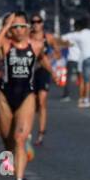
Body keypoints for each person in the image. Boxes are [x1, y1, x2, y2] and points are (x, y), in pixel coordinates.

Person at [0, 11, 52, 180]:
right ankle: (8, 156)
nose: (19, 30)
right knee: (7, 138)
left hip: (26, 95)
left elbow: (43, 60)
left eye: (23, 26)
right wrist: (4, 27)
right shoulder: (5, 46)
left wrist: (53, 73)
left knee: (20, 138)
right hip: (5, 95)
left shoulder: (37, 45)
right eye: (15, 27)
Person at [28, 14, 59, 145]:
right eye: (33, 22)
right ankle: (28, 130)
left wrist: (50, 60)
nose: (36, 24)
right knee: (32, 103)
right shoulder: (27, 37)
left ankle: (41, 133)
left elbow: (57, 52)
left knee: (41, 101)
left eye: (38, 21)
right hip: (30, 71)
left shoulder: (48, 37)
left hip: (43, 70)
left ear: (42, 23)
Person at [62, 18, 90, 108]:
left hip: (85, 58)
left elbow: (63, 38)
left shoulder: (79, 35)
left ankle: (85, 99)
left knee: (85, 81)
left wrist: (64, 44)